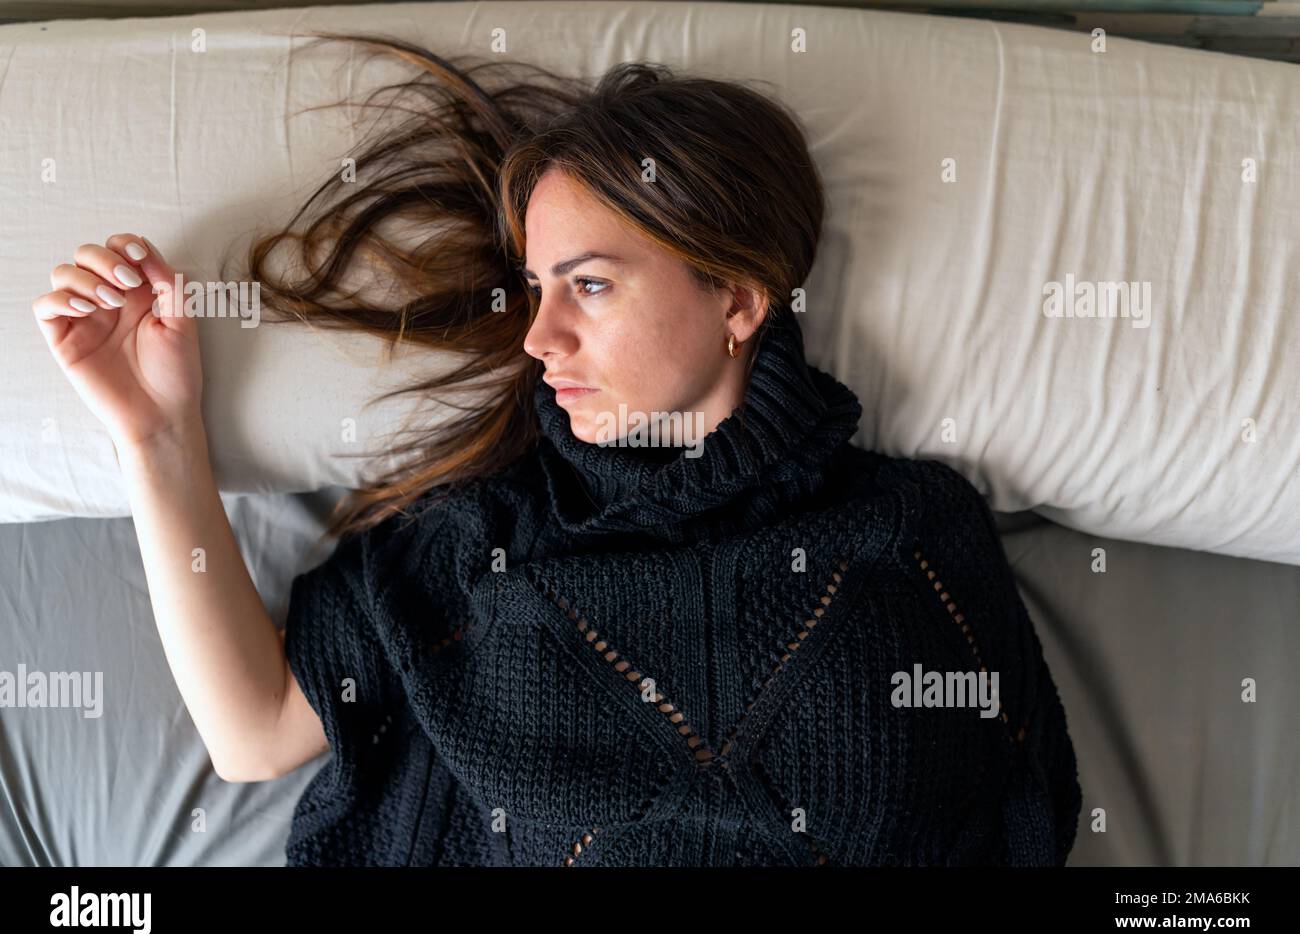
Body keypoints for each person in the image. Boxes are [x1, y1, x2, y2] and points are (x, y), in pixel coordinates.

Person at [31, 38, 1080, 866]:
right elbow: (253, 728)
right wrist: (156, 428)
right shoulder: (481, 537)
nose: (539, 339)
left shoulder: (911, 529)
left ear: (738, 297)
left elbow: (1021, 810)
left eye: (588, 284)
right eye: (536, 288)